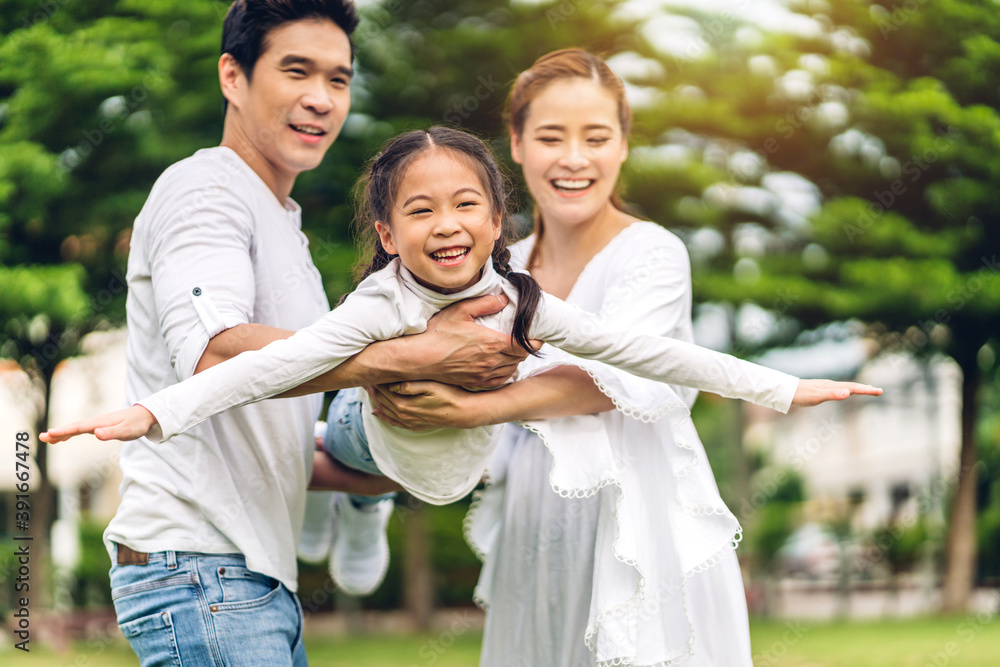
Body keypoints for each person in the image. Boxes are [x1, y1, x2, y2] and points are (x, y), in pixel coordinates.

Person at [44, 126, 879, 614]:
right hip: (373, 433)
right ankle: (358, 505)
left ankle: (363, 504)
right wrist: (154, 413)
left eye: (466, 205)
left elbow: (648, 352)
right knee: (342, 414)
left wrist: (785, 385)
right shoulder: (376, 303)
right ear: (386, 227)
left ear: (496, 218)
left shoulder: (523, 301)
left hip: (447, 466)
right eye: (420, 210)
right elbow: (275, 365)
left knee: (401, 450)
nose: (446, 226)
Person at [85, 2, 527, 664]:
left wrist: (384, 458)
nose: (320, 99)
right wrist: (413, 354)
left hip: (243, 576)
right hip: (201, 570)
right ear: (233, 77)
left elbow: (261, 427)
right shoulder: (206, 192)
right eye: (297, 71)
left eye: (338, 79)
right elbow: (215, 352)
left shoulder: (279, 221)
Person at [365, 49, 839, 666]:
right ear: (516, 142)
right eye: (551, 136)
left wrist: (469, 410)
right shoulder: (494, 265)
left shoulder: (652, 254)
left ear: (622, 145)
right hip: (538, 523)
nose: (573, 158)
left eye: (596, 136)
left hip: (638, 523)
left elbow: (610, 377)